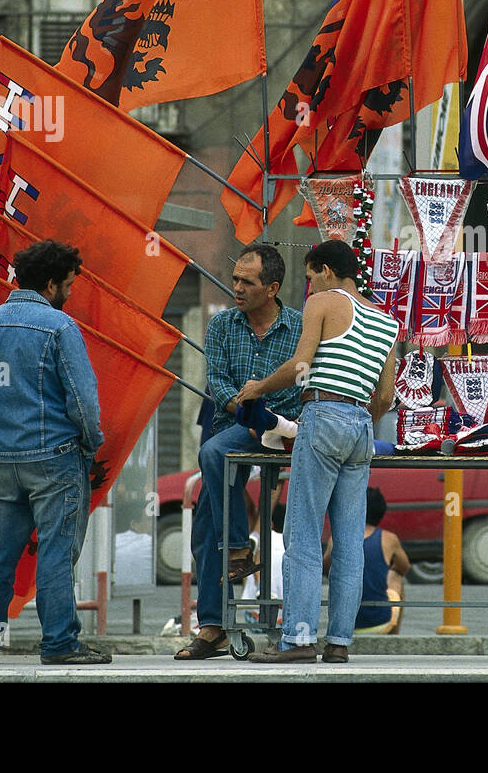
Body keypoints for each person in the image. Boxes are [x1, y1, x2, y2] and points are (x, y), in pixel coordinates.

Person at [237, 239, 399, 664]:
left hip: (323, 414)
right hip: (362, 425)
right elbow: (385, 396)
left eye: (310, 276)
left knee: (303, 536)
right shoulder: (386, 320)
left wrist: (258, 387)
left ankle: (297, 639)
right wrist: (358, 413)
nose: (307, 286)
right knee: (348, 542)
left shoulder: (323, 302)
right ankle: (339, 642)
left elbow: (300, 366)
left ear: (325, 270)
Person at [0, 239, 109, 666]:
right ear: (52, 282)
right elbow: (83, 401)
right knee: (57, 552)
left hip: (3, 460)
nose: (71, 293)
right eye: (70, 284)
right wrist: (91, 443)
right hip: (56, 458)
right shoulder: (59, 327)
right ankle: (59, 643)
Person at [175, 243, 303, 660]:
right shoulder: (222, 326)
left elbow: (302, 384)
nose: (237, 288)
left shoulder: (300, 328)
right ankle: (213, 624)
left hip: (279, 428)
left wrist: (267, 414)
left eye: (247, 282)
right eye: (235, 280)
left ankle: (234, 554)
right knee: (204, 523)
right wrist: (245, 410)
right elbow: (219, 382)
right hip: (235, 423)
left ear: (272, 287)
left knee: (211, 457)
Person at [324, 486, 410, 635]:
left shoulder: (336, 538)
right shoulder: (389, 539)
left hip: (344, 625)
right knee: (396, 577)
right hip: (380, 624)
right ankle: (393, 634)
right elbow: (404, 567)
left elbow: (325, 569)